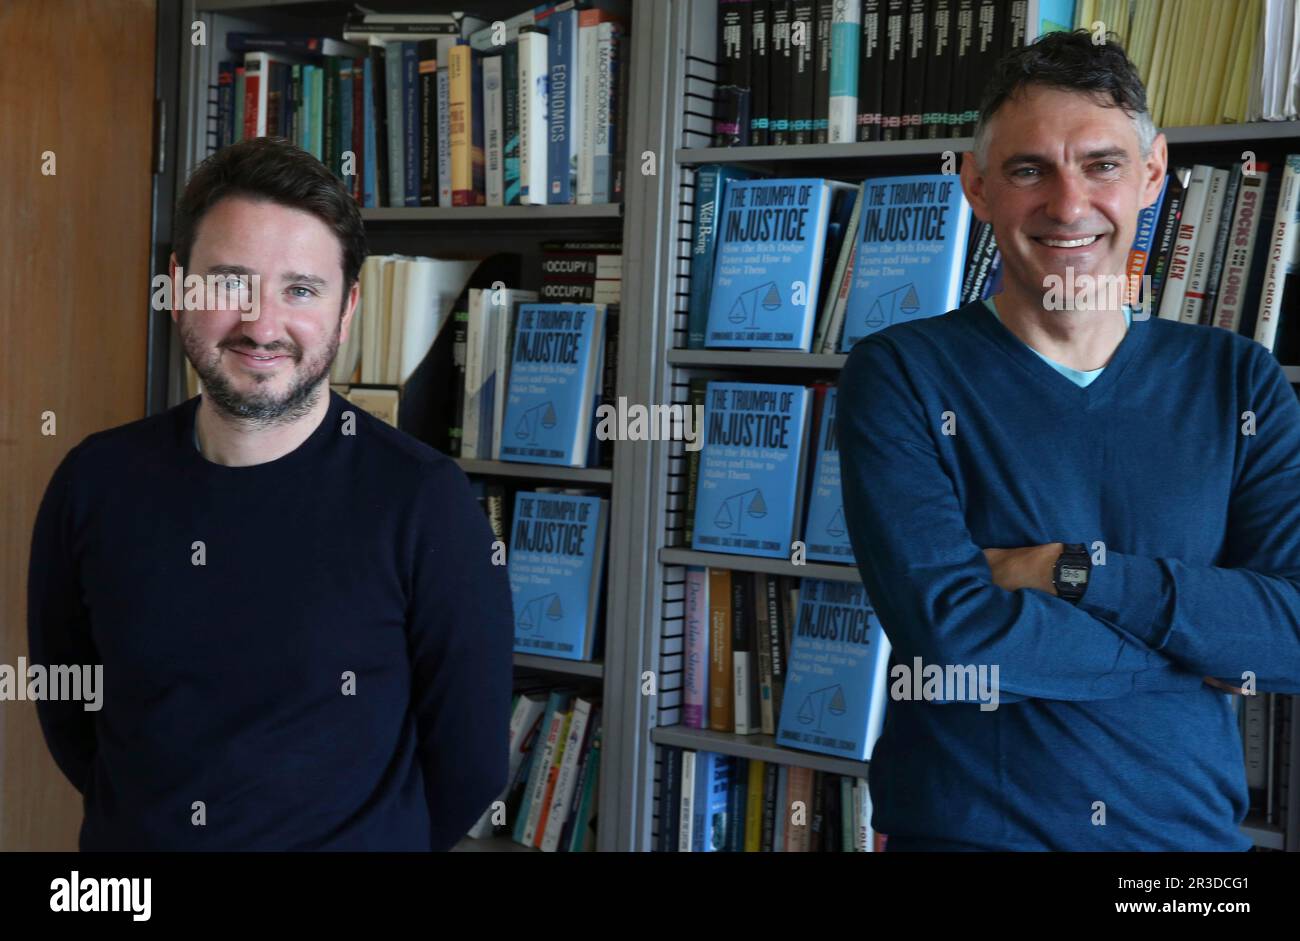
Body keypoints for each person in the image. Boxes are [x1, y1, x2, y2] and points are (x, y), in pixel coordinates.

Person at [838, 30, 1300, 850]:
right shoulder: (901, 374)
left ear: (1152, 173)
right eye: (1029, 170)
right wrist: (1190, 648)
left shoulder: (1240, 382)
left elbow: (1291, 635)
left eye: (1102, 164)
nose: (1069, 204)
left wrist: (1072, 573)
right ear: (976, 185)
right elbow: (951, 639)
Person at [28, 137, 513, 850]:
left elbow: (468, 768)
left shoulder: (424, 504)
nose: (262, 324)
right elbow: (72, 719)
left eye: (300, 289)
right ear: (178, 285)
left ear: (346, 309)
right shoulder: (92, 482)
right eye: (230, 282)